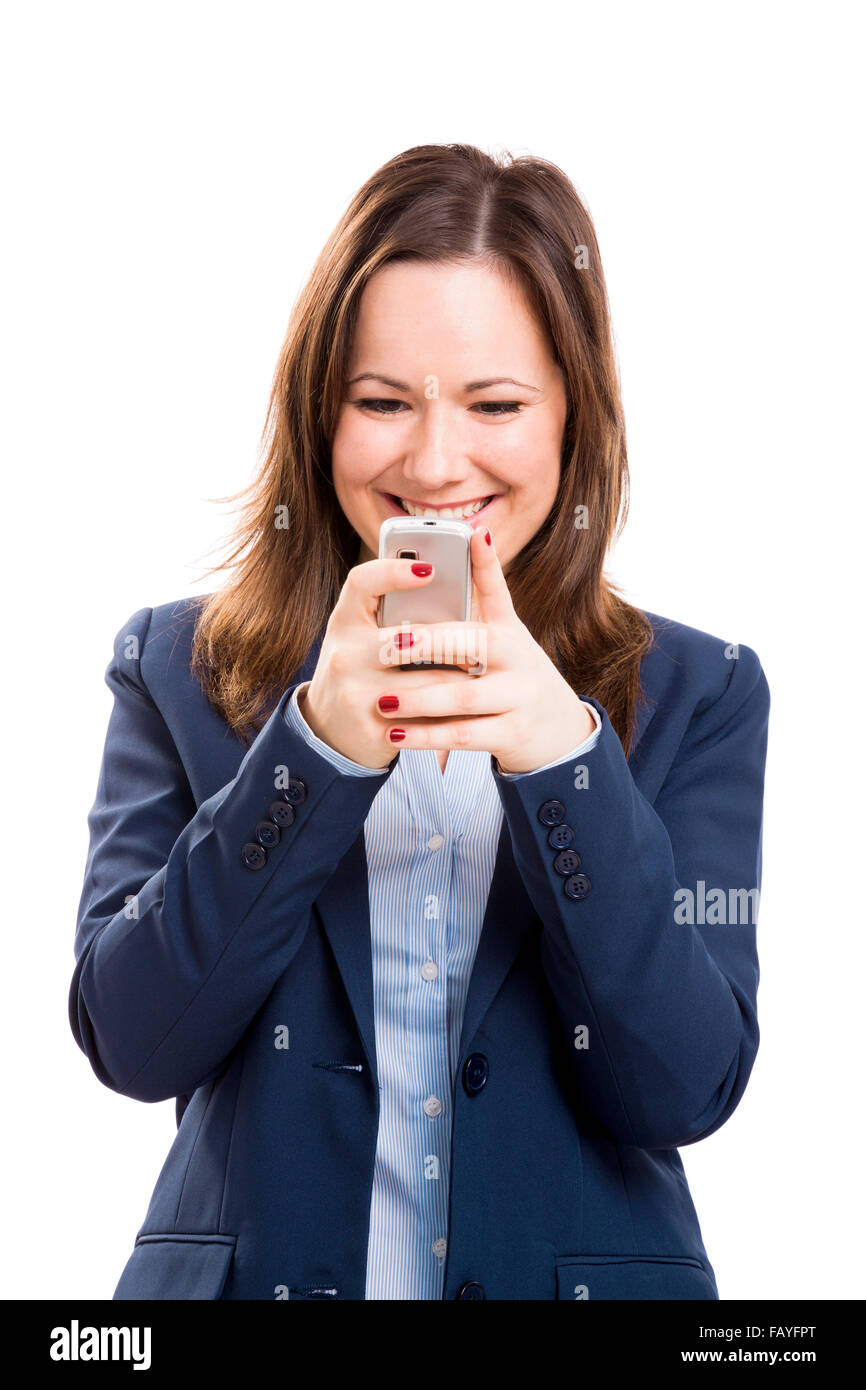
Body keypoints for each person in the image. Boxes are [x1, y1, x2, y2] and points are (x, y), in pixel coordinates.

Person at [69, 143, 770, 1301]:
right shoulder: (178, 666)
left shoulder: (700, 690)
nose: (434, 462)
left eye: (495, 403)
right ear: (321, 416)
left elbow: (682, 1086)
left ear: (568, 421)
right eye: (382, 401)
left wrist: (564, 762)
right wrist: (308, 756)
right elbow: (135, 1041)